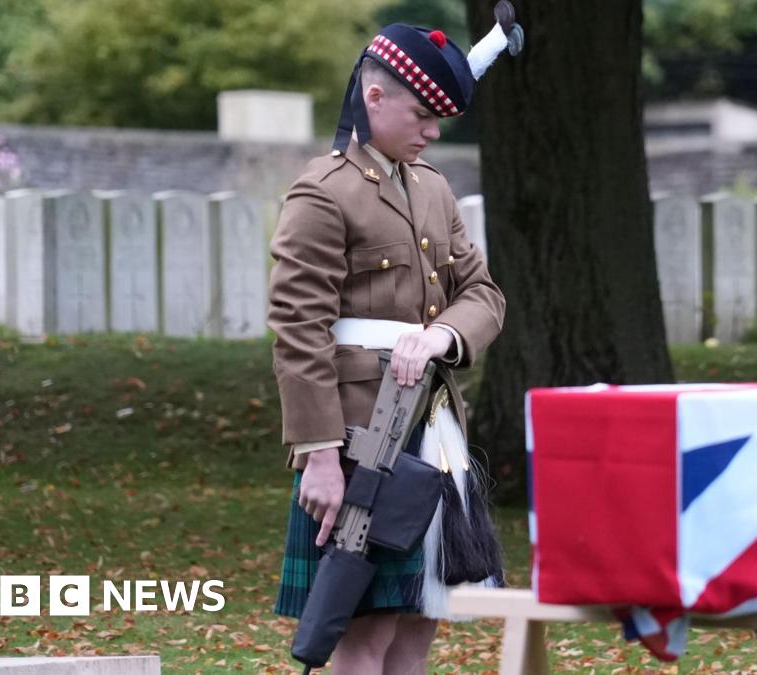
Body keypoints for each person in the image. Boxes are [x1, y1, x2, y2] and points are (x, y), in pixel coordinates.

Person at [267, 8, 521, 673]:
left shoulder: (434, 190)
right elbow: (298, 328)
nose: (434, 132)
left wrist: (441, 335)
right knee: (363, 631)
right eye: (422, 115)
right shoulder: (322, 194)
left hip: (432, 433)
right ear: (374, 97)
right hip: (358, 439)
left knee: (417, 623)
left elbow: (484, 296)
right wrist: (318, 454)